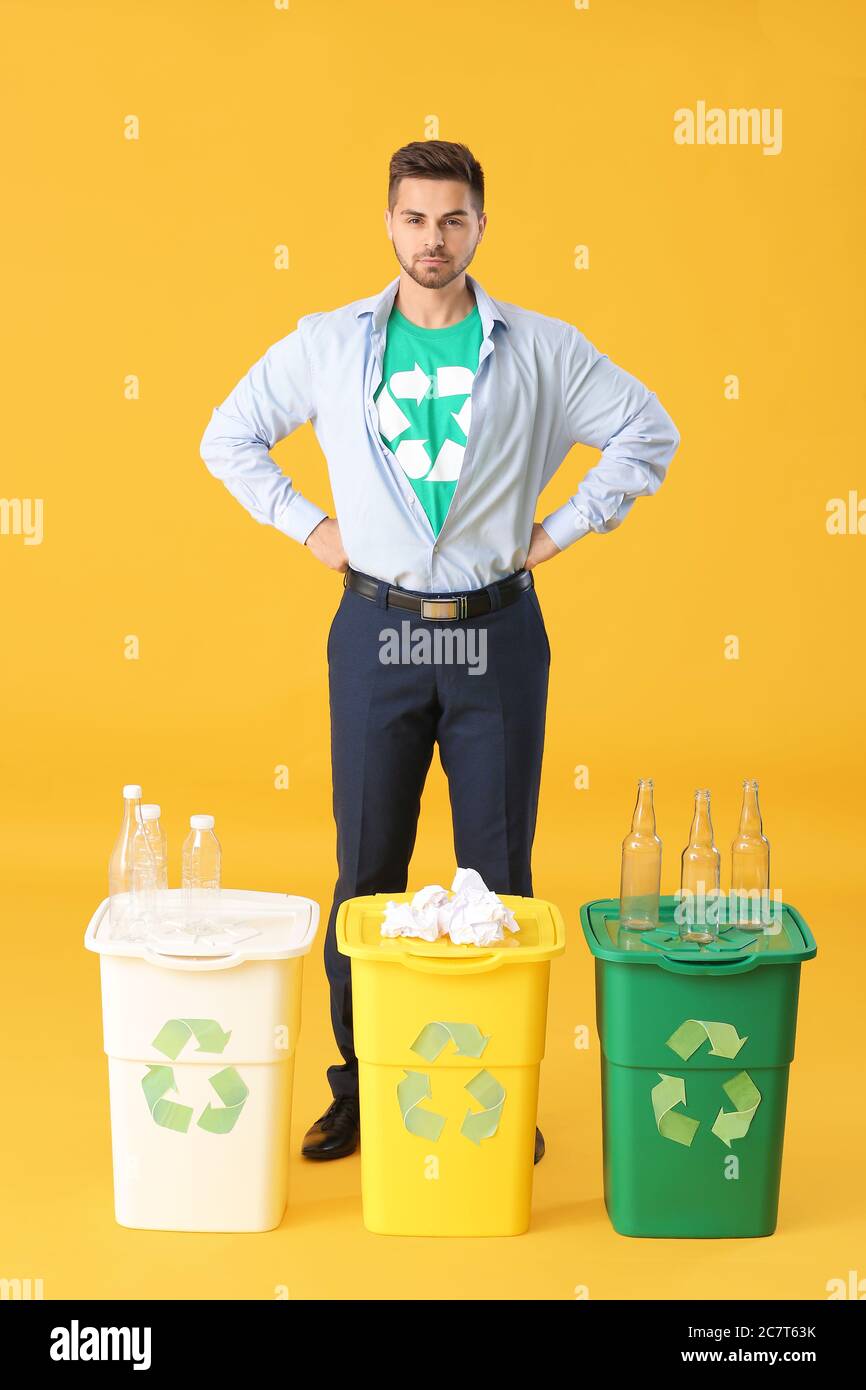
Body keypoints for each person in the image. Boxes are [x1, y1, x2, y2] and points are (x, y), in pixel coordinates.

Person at [199, 139, 680, 1165]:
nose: (432, 239)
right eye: (414, 219)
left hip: (496, 632)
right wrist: (308, 527)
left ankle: (491, 1084)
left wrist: (559, 530)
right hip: (375, 629)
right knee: (366, 867)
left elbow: (648, 430)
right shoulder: (328, 344)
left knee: (498, 877)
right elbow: (228, 435)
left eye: (452, 219)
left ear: (480, 227)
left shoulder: (542, 348)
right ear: (387, 223)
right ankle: (362, 1090)